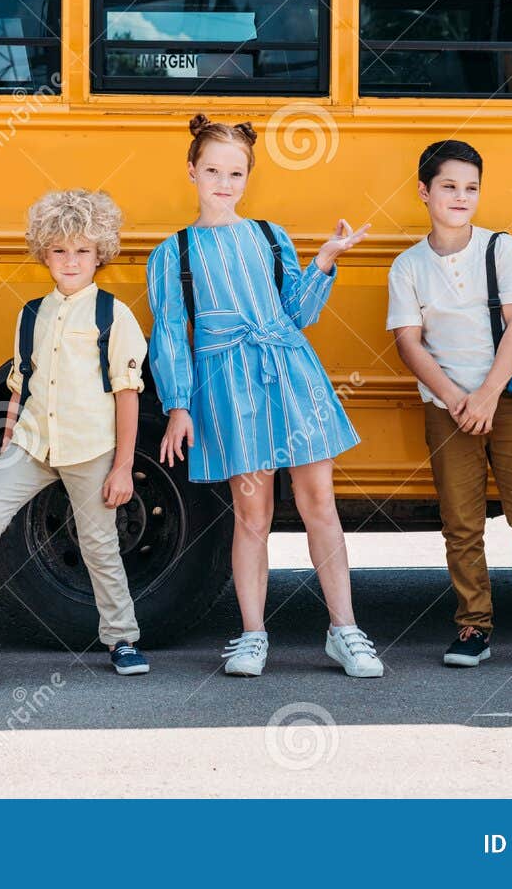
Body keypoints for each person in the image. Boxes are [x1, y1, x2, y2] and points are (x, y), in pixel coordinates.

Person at [146, 115, 382, 679]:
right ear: (191, 172)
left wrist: (325, 258)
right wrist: (178, 405)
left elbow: (297, 314)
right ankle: (252, 634)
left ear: (249, 176)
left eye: (235, 172)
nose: (223, 183)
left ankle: (344, 630)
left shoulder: (271, 236)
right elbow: (170, 335)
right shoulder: (173, 253)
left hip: (290, 375)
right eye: (212, 171)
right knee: (252, 515)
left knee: (318, 503)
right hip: (228, 389)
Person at [388, 139, 512, 669]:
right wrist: (456, 399)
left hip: (510, 398)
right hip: (447, 405)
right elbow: (409, 340)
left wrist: (489, 394)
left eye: (471, 188)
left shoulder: (500, 248)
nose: (460, 196)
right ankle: (473, 625)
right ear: (424, 191)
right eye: (449, 186)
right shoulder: (407, 266)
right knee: (461, 521)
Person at [0, 189, 149, 690]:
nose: (71, 260)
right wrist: (8, 439)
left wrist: (122, 467)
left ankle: (121, 636)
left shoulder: (112, 315)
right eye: (59, 250)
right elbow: (22, 381)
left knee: (100, 543)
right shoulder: (31, 313)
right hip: (31, 444)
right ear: (44, 254)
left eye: (82, 250)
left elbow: (127, 394)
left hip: (90, 447)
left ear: (100, 253)